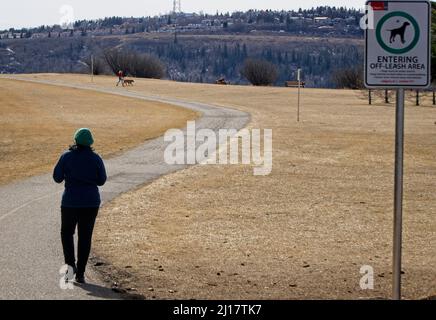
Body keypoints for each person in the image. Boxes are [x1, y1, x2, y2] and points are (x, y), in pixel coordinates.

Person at [53, 128, 107, 284]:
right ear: (90, 142)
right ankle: (81, 273)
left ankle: (70, 267)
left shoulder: (66, 156)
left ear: (75, 140)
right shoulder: (96, 158)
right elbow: (101, 180)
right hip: (91, 202)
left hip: (70, 202)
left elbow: (57, 178)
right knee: (85, 236)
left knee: (67, 233)